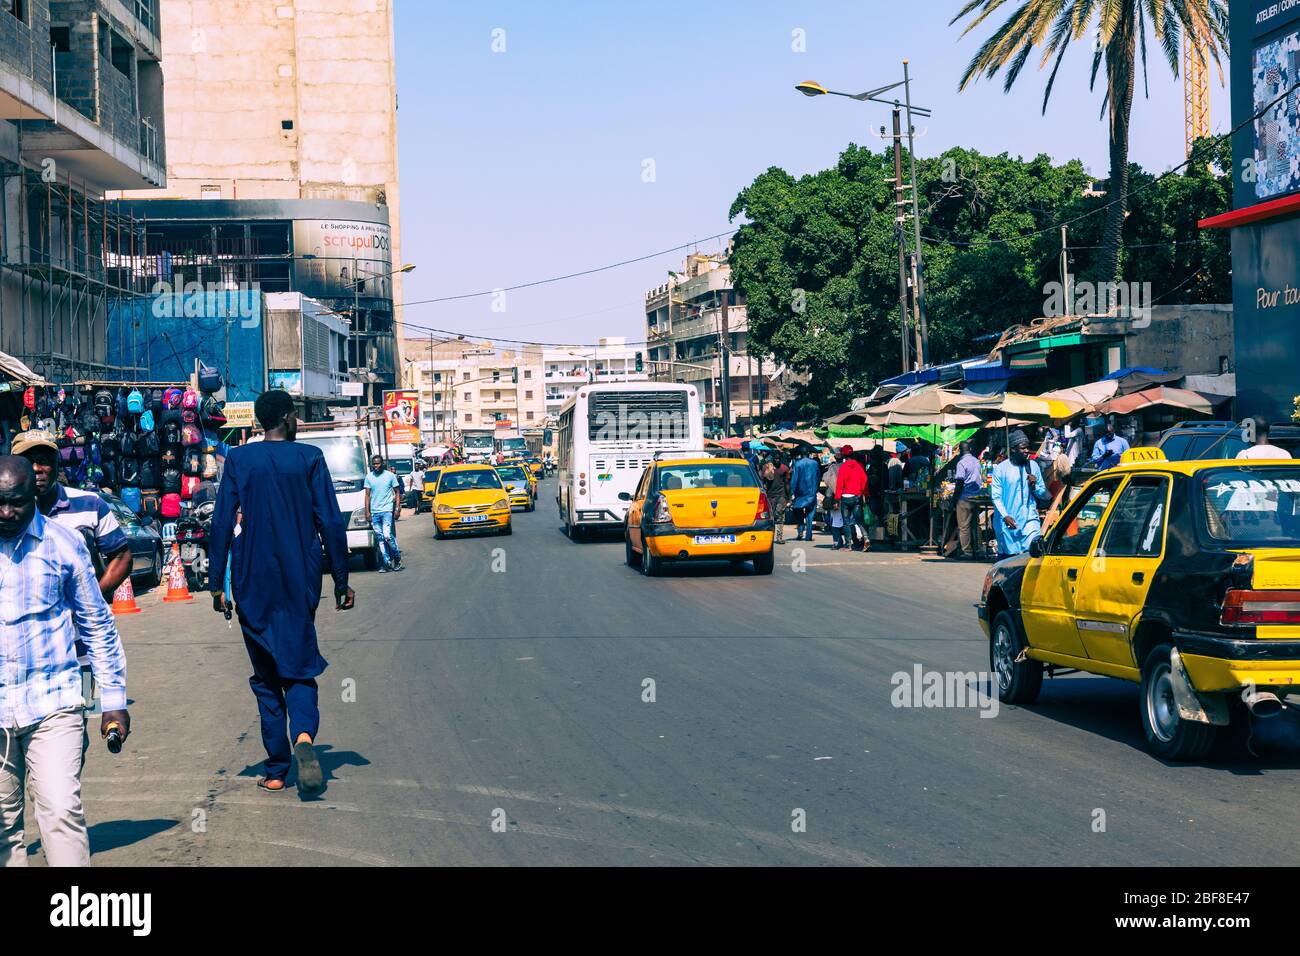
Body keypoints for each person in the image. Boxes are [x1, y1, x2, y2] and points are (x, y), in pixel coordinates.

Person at [208, 390, 355, 796]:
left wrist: (216, 584)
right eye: (296, 417)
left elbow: (221, 523)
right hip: (298, 580)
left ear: (258, 422)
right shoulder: (308, 458)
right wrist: (341, 581)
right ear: (288, 418)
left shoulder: (239, 459)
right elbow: (330, 522)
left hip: (252, 580)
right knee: (300, 665)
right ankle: (304, 738)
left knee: (266, 676)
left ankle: (275, 770)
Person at [0, 456, 129, 866]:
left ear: (33, 497)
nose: (6, 512)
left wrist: (114, 698)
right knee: (3, 826)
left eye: (16, 502)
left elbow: (97, 625)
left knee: (58, 812)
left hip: (53, 703)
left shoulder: (63, 544)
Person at [12, 430, 132, 600]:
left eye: (44, 461)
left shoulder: (90, 504)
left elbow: (122, 557)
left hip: (79, 623)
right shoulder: (6, 512)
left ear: (57, 464)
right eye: (28, 462)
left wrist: (89, 600)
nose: (37, 469)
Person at [991, 430, 1050, 556]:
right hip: (1008, 521)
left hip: (1029, 519)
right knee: (1009, 559)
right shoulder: (1001, 469)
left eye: (1028, 448)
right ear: (1013, 449)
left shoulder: (1033, 466)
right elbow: (996, 497)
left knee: (1032, 554)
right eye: (1023, 448)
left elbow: (1044, 494)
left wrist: (1034, 486)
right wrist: (1005, 515)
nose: (1026, 451)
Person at [364, 455, 404, 573]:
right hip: (375, 512)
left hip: (387, 510)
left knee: (387, 535)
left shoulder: (390, 476)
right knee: (380, 538)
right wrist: (367, 511)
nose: (376, 466)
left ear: (382, 463)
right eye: (374, 464)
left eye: (378, 463)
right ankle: (386, 562)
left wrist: (397, 508)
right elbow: (367, 495)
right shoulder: (369, 477)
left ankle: (397, 557)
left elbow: (397, 493)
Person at [948, 441, 982, 559]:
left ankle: (967, 552)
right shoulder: (976, 461)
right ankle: (978, 550)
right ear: (970, 449)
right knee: (976, 525)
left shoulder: (961, 463)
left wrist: (954, 498)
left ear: (960, 451)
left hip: (964, 497)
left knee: (964, 526)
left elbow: (960, 482)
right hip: (977, 497)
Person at [835, 445, 870, 552]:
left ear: (844, 455)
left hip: (845, 497)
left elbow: (839, 484)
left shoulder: (843, 467)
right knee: (859, 521)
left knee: (846, 522)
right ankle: (866, 538)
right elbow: (865, 481)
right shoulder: (859, 466)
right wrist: (866, 495)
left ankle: (849, 545)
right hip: (857, 497)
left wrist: (837, 498)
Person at [789, 447, 820, 542]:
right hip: (811, 492)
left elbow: (794, 480)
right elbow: (818, 477)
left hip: (800, 493)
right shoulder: (815, 463)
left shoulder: (797, 464)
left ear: (800, 454)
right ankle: (808, 534)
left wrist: (791, 492)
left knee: (798, 512)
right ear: (809, 453)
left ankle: (800, 531)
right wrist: (816, 489)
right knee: (810, 515)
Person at [759, 458, 790, 544]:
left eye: (778, 458)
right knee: (772, 517)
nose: (777, 459)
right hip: (772, 496)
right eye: (775, 458)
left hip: (779, 496)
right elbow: (762, 481)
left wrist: (788, 495)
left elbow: (787, 483)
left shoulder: (783, 468)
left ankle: (777, 537)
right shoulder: (768, 468)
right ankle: (773, 537)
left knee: (778, 517)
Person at [822, 448, 844, 549]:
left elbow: (827, 481)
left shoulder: (832, 468)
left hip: (836, 497)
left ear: (835, 457)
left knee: (835, 522)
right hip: (847, 496)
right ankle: (849, 542)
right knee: (847, 521)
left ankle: (837, 542)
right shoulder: (846, 467)